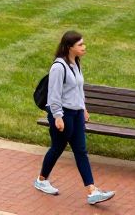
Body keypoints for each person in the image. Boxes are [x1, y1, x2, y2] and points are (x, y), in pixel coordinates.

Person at [34, 31, 115, 205]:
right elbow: (54, 95)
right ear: (69, 47)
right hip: (63, 114)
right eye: (80, 45)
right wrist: (57, 117)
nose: (84, 47)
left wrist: (83, 108)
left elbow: (78, 89)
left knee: (80, 151)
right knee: (57, 148)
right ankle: (41, 180)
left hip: (76, 114)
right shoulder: (58, 67)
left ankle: (92, 191)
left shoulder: (75, 63)